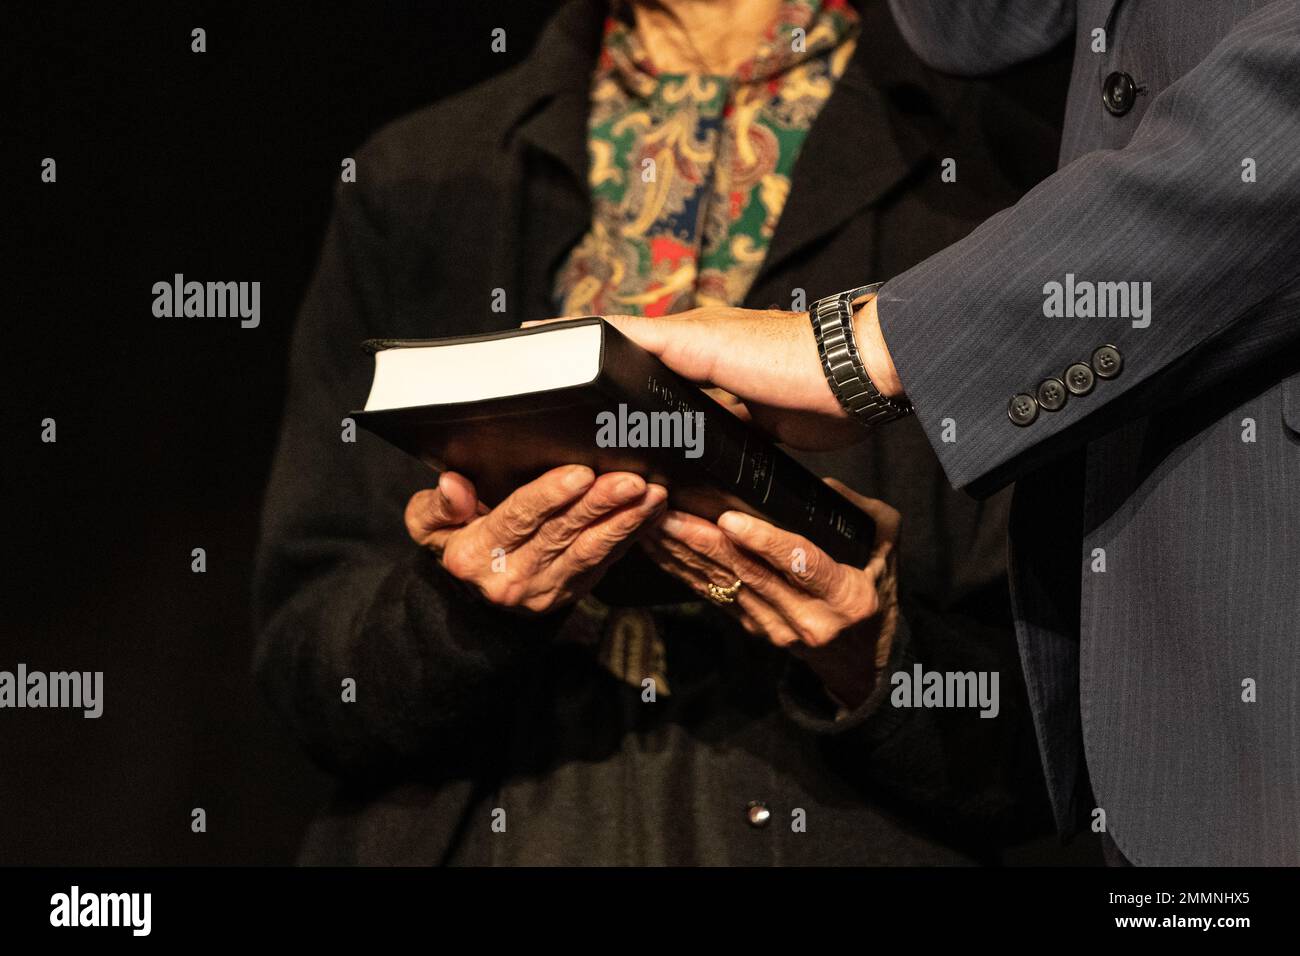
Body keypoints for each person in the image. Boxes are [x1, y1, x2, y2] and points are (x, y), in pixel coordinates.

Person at [254, 0, 1071, 864]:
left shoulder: (1002, 168)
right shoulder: (419, 176)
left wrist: (876, 663)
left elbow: (1072, 728)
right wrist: (456, 612)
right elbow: (308, 672)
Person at [601, 0, 1300, 865]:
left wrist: (863, 352)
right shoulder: (443, 158)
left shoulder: (951, 164)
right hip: (1166, 732)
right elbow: (976, 25)